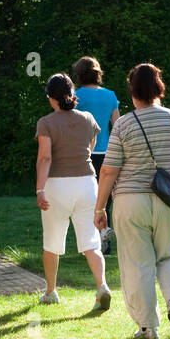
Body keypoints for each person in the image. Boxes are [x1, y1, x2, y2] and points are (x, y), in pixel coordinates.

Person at [95, 63, 170, 339]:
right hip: (167, 200)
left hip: (130, 201)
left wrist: (100, 206)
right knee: (168, 256)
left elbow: (108, 170)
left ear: (132, 92)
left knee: (137, 264)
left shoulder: (124, 124)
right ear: (158, 88)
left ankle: (147, 327)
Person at [35, 73, 110, 310]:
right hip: (88, 183)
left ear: (51, 97)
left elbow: (45, 158)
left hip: (58, 185)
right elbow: (91, 147)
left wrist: (40, 189)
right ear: (72, 94)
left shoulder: (46, 122)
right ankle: (102, 286)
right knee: (90, 240)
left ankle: (50, 292)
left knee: (52, 241)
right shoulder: (88, 118)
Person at [71, 56, 121, 256]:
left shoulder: (76, 96)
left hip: (85, 152)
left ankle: (92, 243)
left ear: (79, 74)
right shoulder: (110, 95)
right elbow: (117, 124)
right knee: (105, 200)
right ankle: (105, 241)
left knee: (87, 200)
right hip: (108, 152)